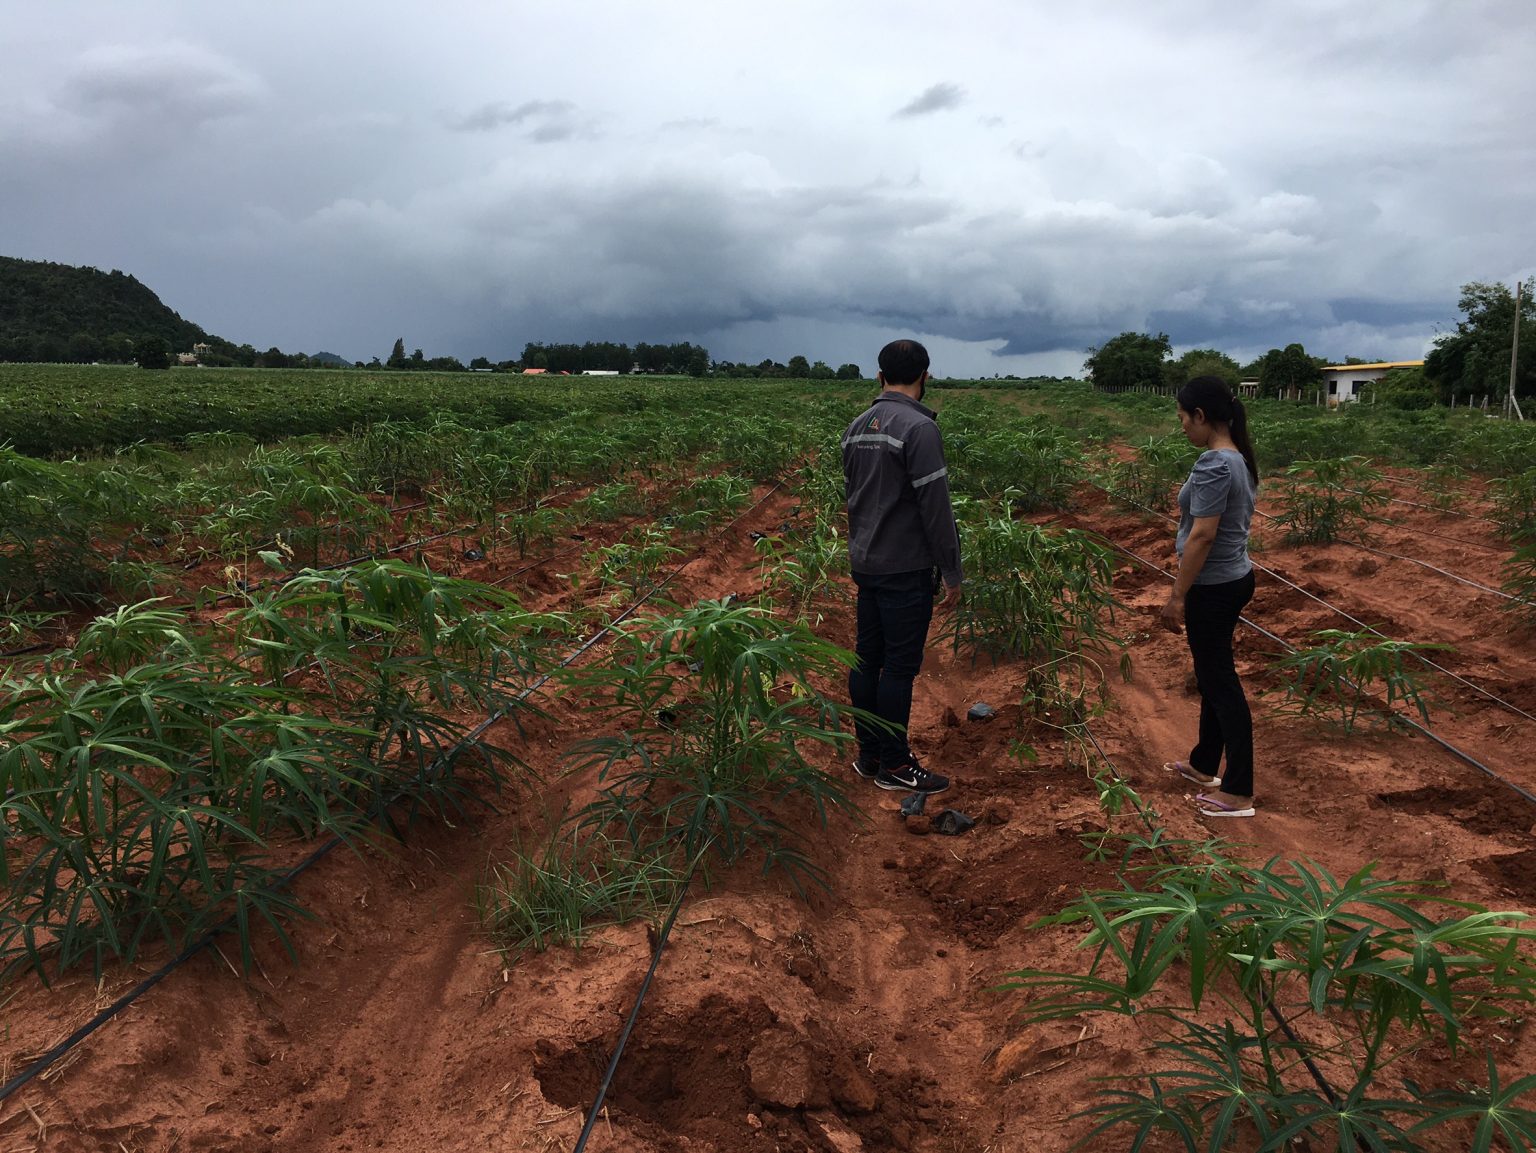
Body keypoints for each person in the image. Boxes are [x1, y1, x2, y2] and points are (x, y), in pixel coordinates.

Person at [841, 339, 963, 795]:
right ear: (925, 376)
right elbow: (936, 508)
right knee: (898, 668)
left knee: (866, 659)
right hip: (905, 567)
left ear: (880, 376)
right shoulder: (920, 428)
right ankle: (894, 764)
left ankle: (870, 755)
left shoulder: (856, 428)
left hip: (867, 562)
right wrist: (951, 571)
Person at [1159, 376, 1260, 818]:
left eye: (1183, 417)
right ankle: (1204, 764)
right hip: (1233, 577)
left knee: (1220, 683)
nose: (1182, 426)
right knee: (1211, 675)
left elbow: (1202, 535)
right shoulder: (1237, 458)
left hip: (1213, 587)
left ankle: (1239, 791)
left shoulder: (1215, 464)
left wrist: (1177, 596)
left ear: (1201, 416)